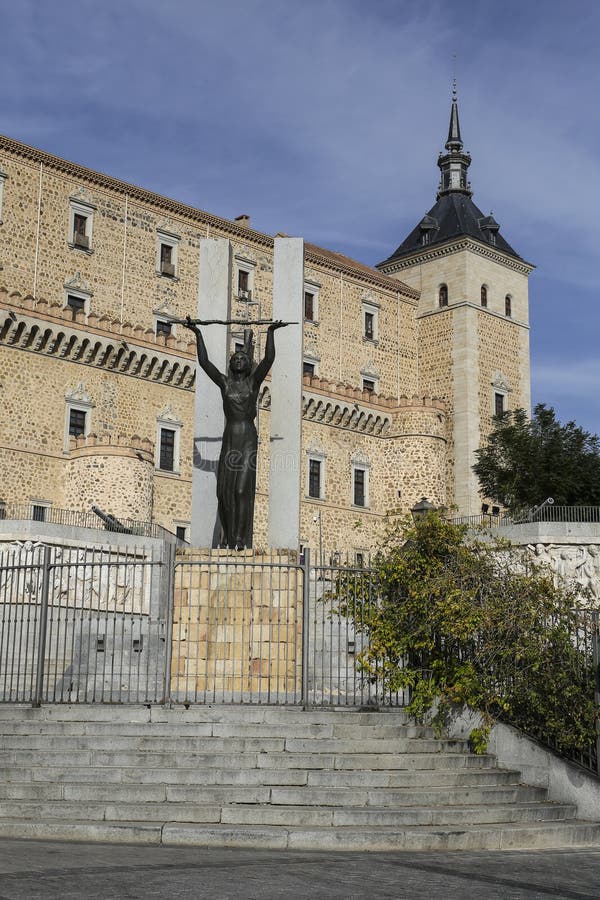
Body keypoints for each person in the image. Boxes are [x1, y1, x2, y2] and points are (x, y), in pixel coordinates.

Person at [184, 316, 288, 549]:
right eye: (235, 358)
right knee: (225, 493)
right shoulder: (225, 384)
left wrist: (271, 332)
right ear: (231, 364)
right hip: (230, 437)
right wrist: (197, 334)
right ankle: (229, 539)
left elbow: (269, 358)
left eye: (243, 357)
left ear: (248, 364)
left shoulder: (253, 383)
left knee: (241, 490)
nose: (239, 360)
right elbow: (204, 363)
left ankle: (240, 539)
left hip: (248, 438)